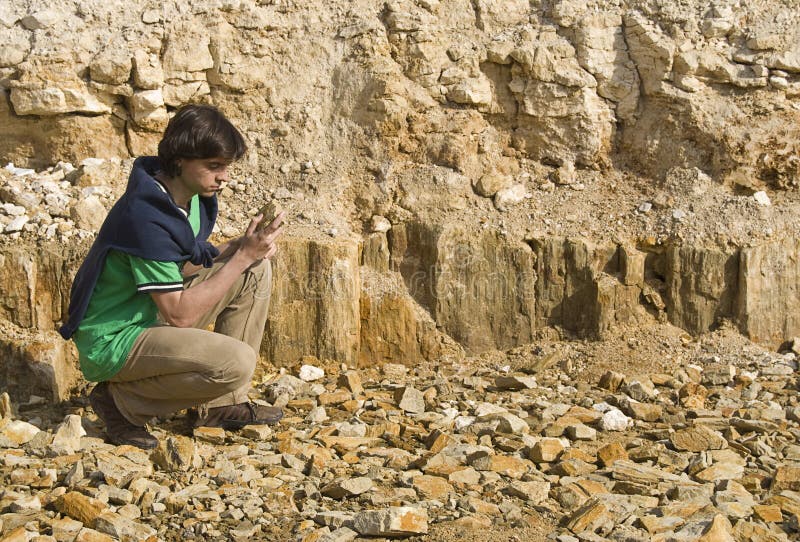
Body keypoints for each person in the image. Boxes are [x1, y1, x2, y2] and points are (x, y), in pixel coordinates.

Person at [59, 104, 284, 449]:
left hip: (147, 314)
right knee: (237, 362)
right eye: (214, 166)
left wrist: (238, 248)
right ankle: (121, 403)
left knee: (255, 270)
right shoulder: (146, 216)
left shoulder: (185, 197)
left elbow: (177, 266)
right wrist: (241, 257)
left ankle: (221, 405)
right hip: (114, 339)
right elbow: (179, 315)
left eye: (226, 167)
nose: (224, 177)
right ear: (180, 160)